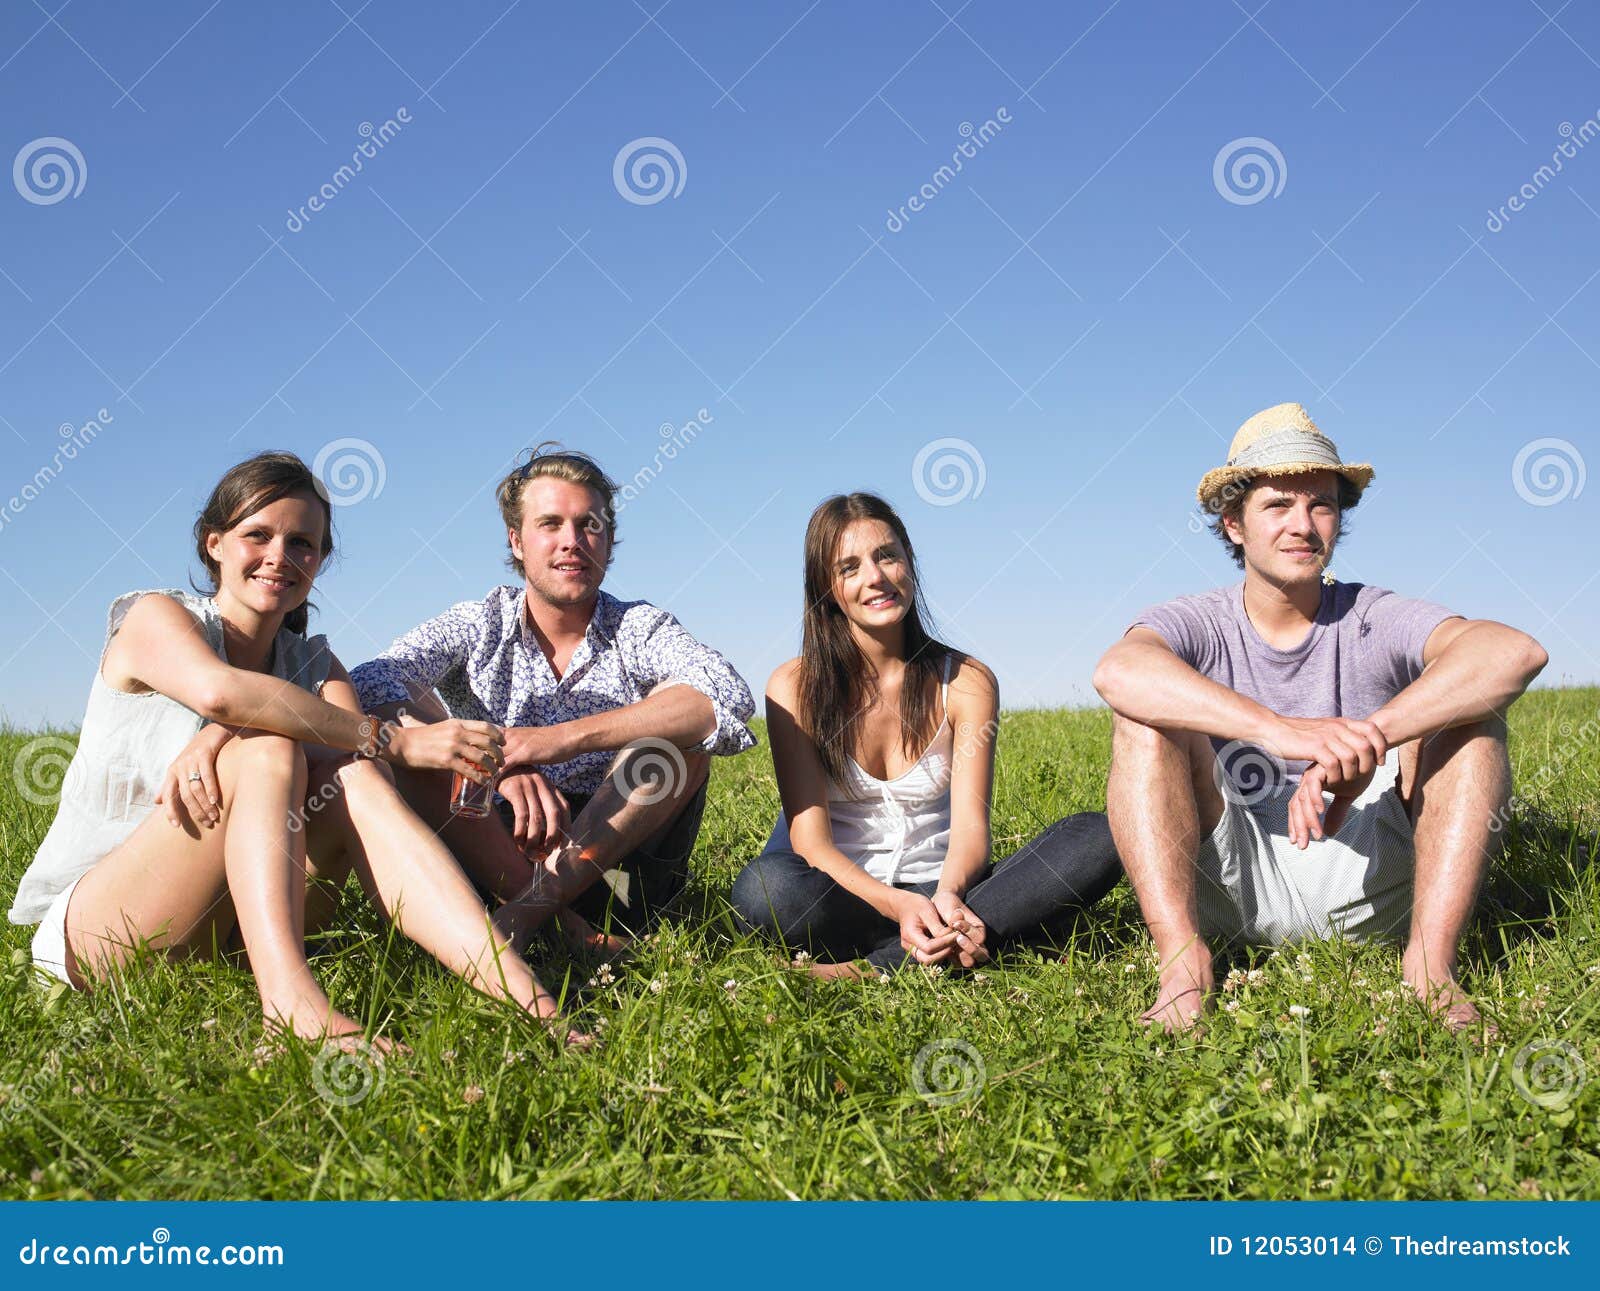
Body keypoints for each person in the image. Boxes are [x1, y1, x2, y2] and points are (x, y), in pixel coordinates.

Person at [8, 452, 568, 1052]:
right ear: (214, 543)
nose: (280, 556)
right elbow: (222, 692)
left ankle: (528, 998)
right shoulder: (155, 617)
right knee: (270, 750)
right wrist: (394, 738)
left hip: (226, 939)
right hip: (102, 930)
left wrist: (223, 735)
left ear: (321, 561)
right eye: (257, 535)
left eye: (302, 543)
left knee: (355, 776)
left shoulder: (315, 665)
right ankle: (291, 1007)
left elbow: (355, 759)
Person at [1093, 402, 1548, 1035]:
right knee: (1142, 720)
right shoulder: (1196, 619)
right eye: (1278, 506)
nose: (1302, 525)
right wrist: (1281, 730)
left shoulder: (1372, 613)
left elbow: (1514, 652)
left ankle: (1430, 966)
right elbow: (1118, 673)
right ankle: (1182, 963)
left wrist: (1368, 739)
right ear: (1233, 524)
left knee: (1472, 725)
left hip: (1372, 870)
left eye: (1322, 505)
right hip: (1234, 875)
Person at [349, 444, 756, 954]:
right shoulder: (479, 623)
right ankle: (545, 919)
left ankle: (532, 915)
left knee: (673, 744)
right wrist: (496, 759)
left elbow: (725, 695)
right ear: (517, 541)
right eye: (551, 525)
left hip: (615, 879)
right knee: (420, 747)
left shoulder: (637, 627)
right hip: (493, 858)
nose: (572, 542)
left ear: (608, 542)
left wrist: (553, 742)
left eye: (589, 525)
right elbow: (369, 681)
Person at [731, 492, 1122, 976]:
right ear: (826, 588)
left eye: (887, 556)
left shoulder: (966, 681)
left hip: (946, 890)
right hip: (845, 894)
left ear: (909, 564)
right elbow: (811, 846)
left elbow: (972, 832)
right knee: (765, 889)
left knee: (1099, 834)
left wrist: (948, 897)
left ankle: (874, 967)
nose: (875, 577)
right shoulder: (794, 686)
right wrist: (898, 907)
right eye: (849, 567)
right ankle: (987, 935)